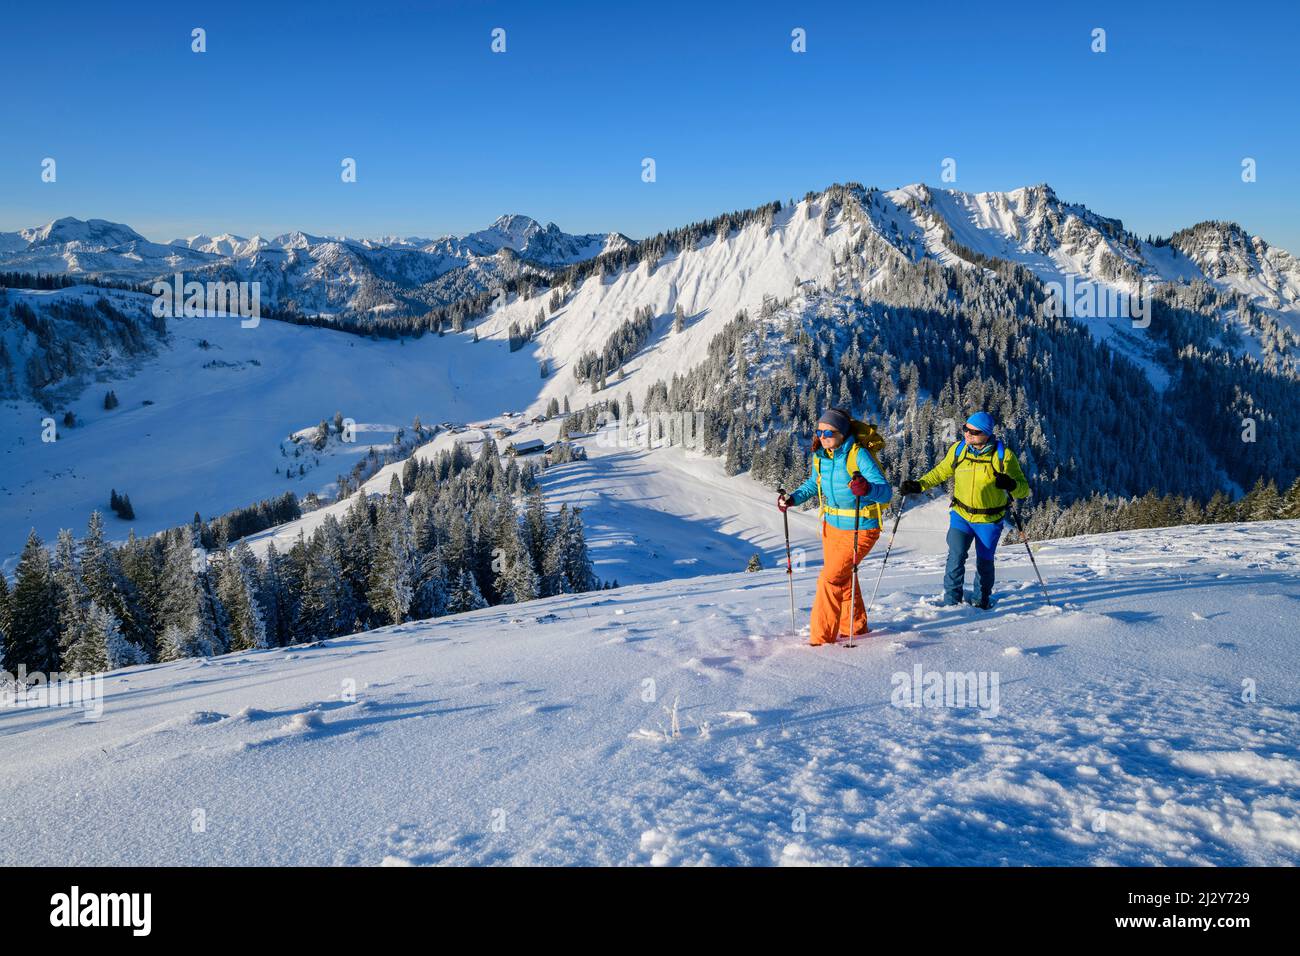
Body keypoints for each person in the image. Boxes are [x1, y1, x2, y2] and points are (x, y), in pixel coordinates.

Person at [777, 407, 893, 645]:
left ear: (842, 433)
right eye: (819, 432)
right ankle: (857, 627)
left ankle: (821, 640)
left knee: (829, 580)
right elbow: (813, 484)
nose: (822, 437)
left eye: (828, 432)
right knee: (844, 579)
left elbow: (886, 492)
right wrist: (792, 498)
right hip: (832, 528)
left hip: (862, 527)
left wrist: (868, 489)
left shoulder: (858, 455)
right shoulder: (821, 456)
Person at [900, 411, 1030, 609]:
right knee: (956, 557)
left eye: (974, 432)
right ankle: (951, 603)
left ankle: (981, 601)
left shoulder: (1003, 457)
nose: (968, 434)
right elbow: (940, 472)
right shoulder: (959, 450)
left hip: (989, 520)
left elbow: (1024, 490)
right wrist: (919, 485)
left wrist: (1011, 484)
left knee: (984, 563)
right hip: (961, 515)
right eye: (965, 429)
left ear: (987, 434)